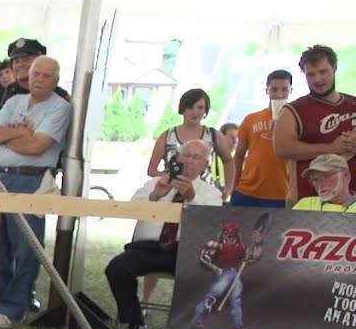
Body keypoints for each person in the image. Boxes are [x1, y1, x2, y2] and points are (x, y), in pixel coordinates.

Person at [235, 154, 356, 329]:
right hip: (302, 279)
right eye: (316, 180)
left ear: (347, 176)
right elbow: (280, 242)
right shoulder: (306, 204)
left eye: (327, 177)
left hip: (347, 284)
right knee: (269, 282)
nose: (321, 184)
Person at [0, 56, 72, 328]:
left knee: (26, 248)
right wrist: (22, 133)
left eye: (46, 75)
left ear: (55, 81)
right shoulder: (14, 101)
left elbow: (37, 147)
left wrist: (9, 135)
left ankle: (13, 309)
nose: (39, 79)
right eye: (36, 74)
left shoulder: (60, 107)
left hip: (31, 181)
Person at [103, 141, 222, 329]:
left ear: (205, 165)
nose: (189, 161)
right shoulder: (156, 183)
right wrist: (156, 195)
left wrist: (192, 197)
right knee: (117, 268)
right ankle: (135, 322)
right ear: (177, 158)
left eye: (196, 157)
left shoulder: (211, 193)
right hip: (148, 247)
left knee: (201, 274)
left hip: (188, 250)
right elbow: (131, 209)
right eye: (186, 155)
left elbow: (211, 223)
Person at [273, 45, 356, 206]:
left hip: (352, 202)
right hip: (309, 202)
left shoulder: (353, 103)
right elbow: (282, 148)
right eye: (311, 74)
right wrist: (331, 148)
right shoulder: (294, 110)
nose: (317, 79)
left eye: (323, 72)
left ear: (334, 68)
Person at [146, 88, 236, 189]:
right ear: (183, 109)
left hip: (205, 194)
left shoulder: (214, 135)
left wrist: (228, 189)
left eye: (200, 107)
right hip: (171, 192)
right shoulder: (167, 136)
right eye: (190, 107)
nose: (195, 112)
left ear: (205, 110)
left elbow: (229, 161)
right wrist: (171, 178)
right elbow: (151, 170)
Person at [227, 70, 293, 208]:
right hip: (246, 191)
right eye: (274, 89)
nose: (279, 94)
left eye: (284, 89)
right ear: (266, 90)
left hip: (283, 193)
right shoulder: (251, 119)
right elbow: (239, 156)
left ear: (290, 91)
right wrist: (233, 187)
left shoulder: (296, 120)